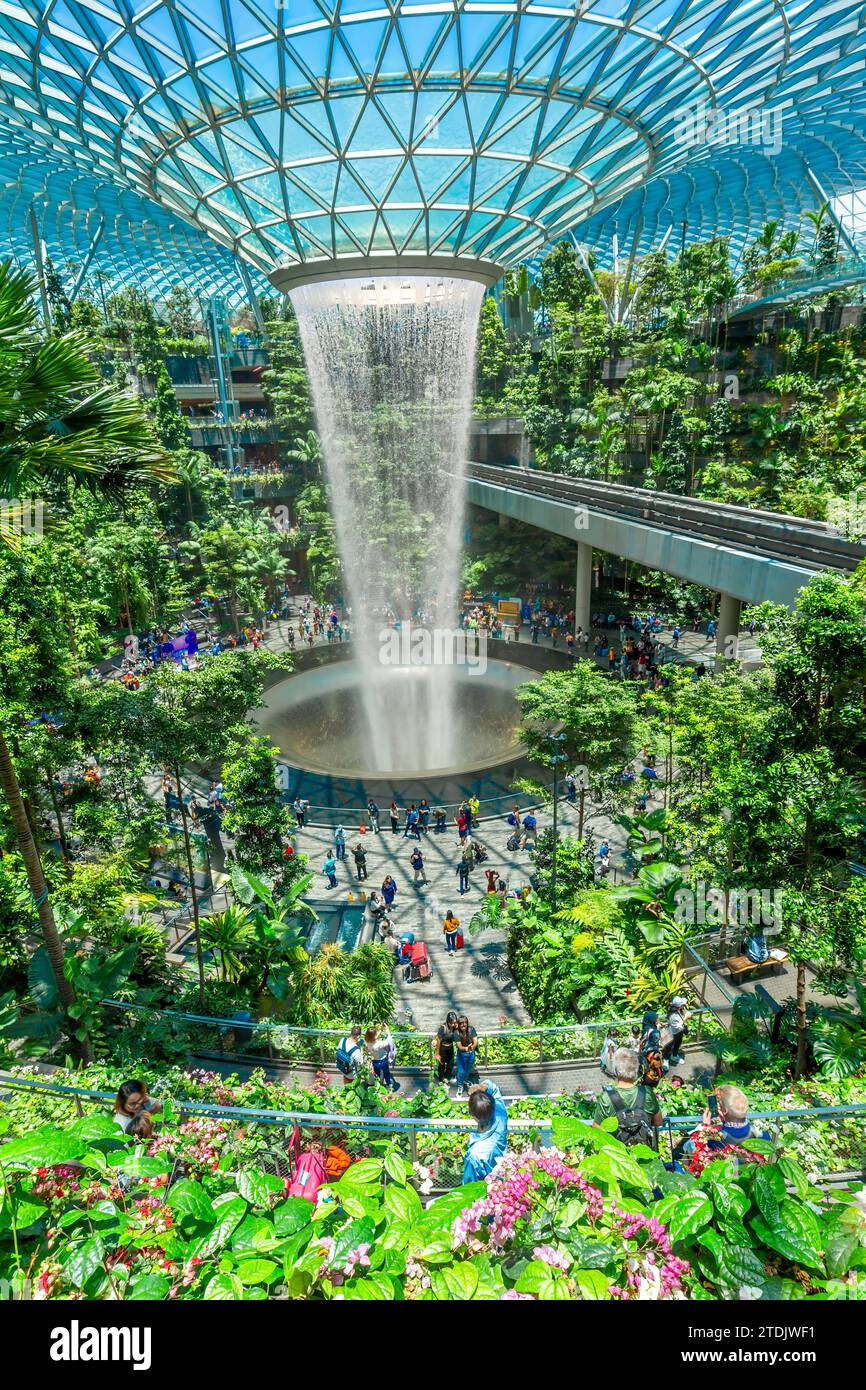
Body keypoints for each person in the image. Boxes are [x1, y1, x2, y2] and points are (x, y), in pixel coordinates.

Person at [592, 1047, 663, 1148]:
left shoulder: (607, 1098)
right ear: (636, 1069)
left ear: (616, 1070)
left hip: (620, 1159)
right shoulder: (647, 1092)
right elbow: (658, 1123)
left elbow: (597, 1130)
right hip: (645, 1155)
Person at [462, 1082, 508, 1183]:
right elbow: (494, 1088)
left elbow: (468, 1189)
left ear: (472, 1115)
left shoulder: (473, 1156)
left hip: (486, 1195)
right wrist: (482, 1087)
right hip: (502, 1186)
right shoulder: (501, 1119)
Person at [365, 1026, 400, 1092]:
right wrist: (388, 1031)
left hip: (375, 1062)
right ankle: (389, 1086)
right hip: (383, 1061)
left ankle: (379, 1086)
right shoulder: (380, 1044)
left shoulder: (367, 1043)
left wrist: (380, 1031)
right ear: (375, 1035)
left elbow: (373, 1038)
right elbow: (389, 1040)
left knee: (377, 1075)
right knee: (387, 1074)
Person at [662, 996, 690, 1069]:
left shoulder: (678, 1010)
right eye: (683, 1004)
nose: (684, 1005)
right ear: (679, 1006)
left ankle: (674, 1056)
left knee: (677, 1044)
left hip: (678, 1032)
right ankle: (666, 1060)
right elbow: (678, 1026)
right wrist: (686, 1017)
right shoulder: (673, 1015)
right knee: (668, 1047)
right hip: (672, 1033)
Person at [455, 1014, 478, 1097]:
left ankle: (465, 1080)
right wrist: (466, 1049)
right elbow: (459, 1046)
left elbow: (475, 1041)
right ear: (458, 1024)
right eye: (461, 1023)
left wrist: (472, 1047)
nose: (463, 1025)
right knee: (461, 1071)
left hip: (471, 1054)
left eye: (465, 1023)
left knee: (468, 1069)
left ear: (467, 1023)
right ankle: (460, 1086)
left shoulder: (472, 1029)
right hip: (462, 1055)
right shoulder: (456, 1033)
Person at [638, 1010, 664, 1086]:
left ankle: (643, 1081)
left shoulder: (646, 1028)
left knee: (645, 1069)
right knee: (654, 1070)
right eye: (656, 1019)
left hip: (644, 1054)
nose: (658, 1020)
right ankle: (651, 1084)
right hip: (652, 1054)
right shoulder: (655, 1032)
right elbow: (655, 1042)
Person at [436, 1011, 459, 1085]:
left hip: (450, 1048)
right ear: (447, 1021)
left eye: (454, 1023)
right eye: (451, 1023)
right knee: (442, 1065)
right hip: (443, 1049)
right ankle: (441, 1079)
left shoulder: (454, 1027)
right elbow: (438, 1041)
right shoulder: (443, 1028)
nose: (453, 1025)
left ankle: (446, 1077)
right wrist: (437, 1054)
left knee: (450, 1064)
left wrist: (457, 1027)